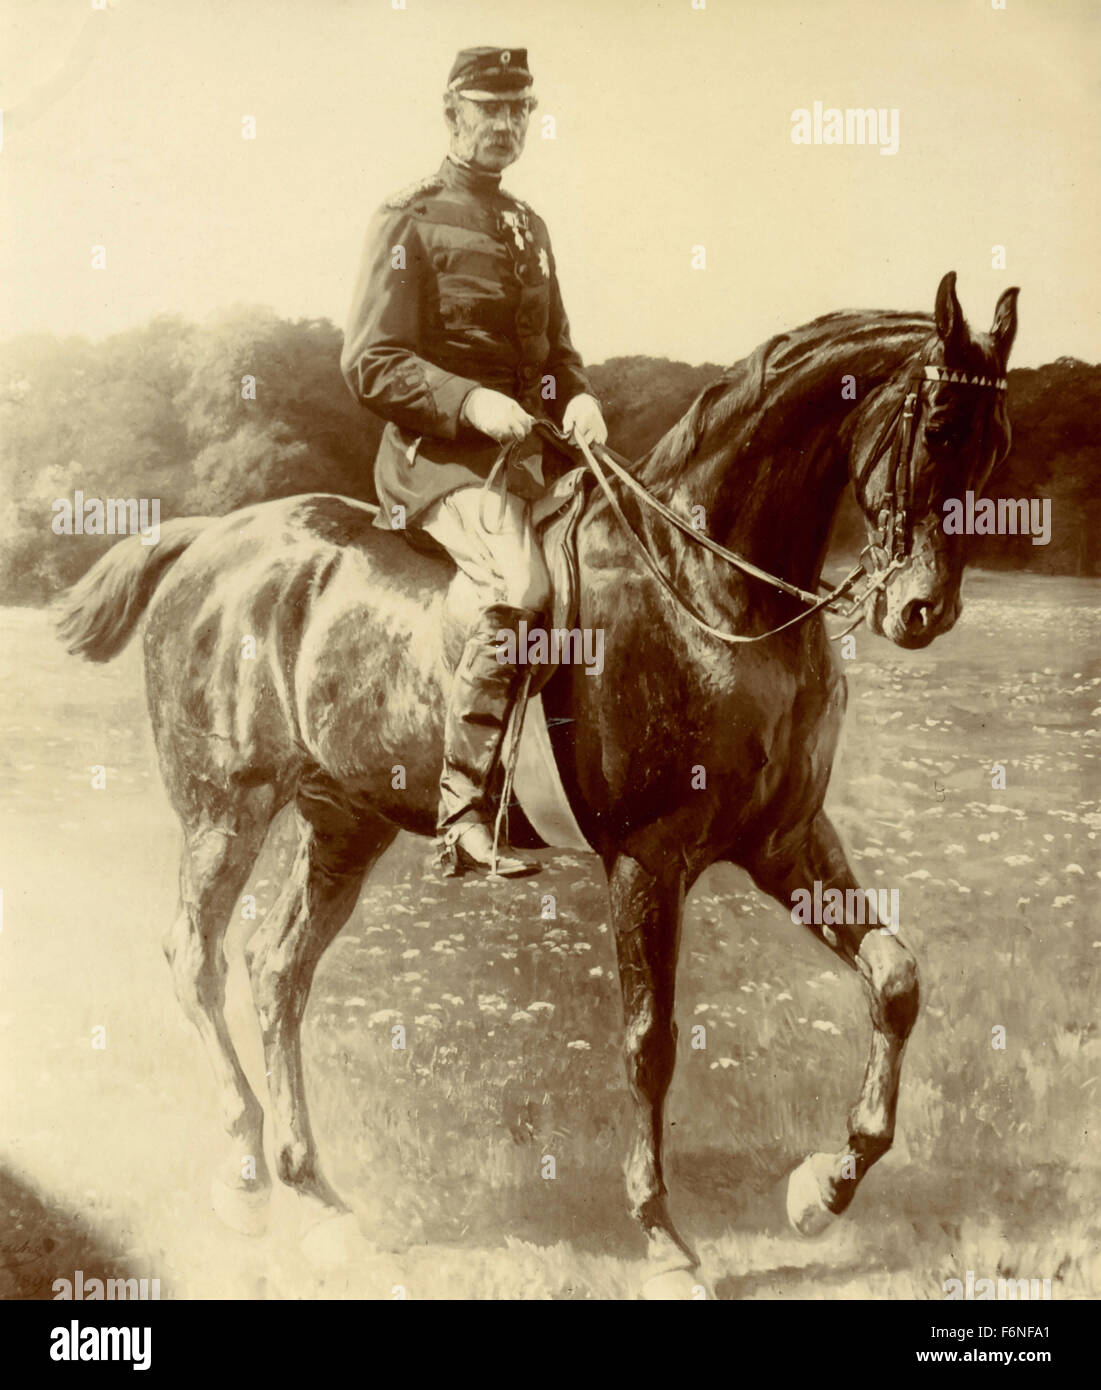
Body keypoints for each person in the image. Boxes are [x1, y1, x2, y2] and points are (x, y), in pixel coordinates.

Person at [341, 45, 607, 877]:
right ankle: (462, 807)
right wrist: (469, 403)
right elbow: (372, 360)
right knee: (518, 585)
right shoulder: (407, 217)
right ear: (451, 113)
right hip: (438, 460)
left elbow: (555, 352)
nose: (506, 125)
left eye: (519, 109)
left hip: (529, 460)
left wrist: (580, 395)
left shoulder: (530, 226)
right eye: (488, 109)